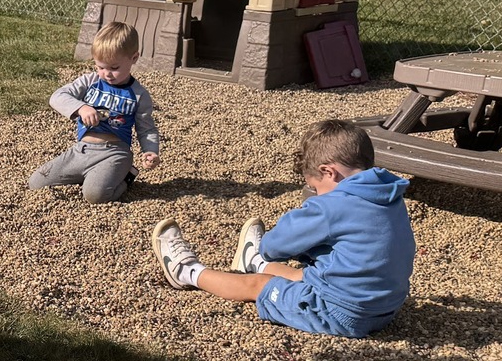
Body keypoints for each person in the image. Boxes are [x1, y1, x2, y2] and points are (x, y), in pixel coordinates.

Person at [150, 119, 414, 338]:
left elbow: (273, 246)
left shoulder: (331, 206)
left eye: (315, 187)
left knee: (257, 285)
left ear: (329, 172)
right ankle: (251, 261)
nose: (316, 194)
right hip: (385, 308)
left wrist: (302, 225)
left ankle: (186, 272)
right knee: (305, 275)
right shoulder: (389, 194)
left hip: (341, 314)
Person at [29, 21, 162, 202]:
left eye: (114, 68)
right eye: (100, 67)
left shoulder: (139, 94)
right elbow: (57, 97)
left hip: (115, 154)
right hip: (81, 151)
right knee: (36, 182)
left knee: (95, 196)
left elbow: (146, 129)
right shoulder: (90, 81)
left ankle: (126, 177)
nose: (106, 73)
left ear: (134, 58)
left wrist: (150, 150)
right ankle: (93, 176)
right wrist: (81, 108)